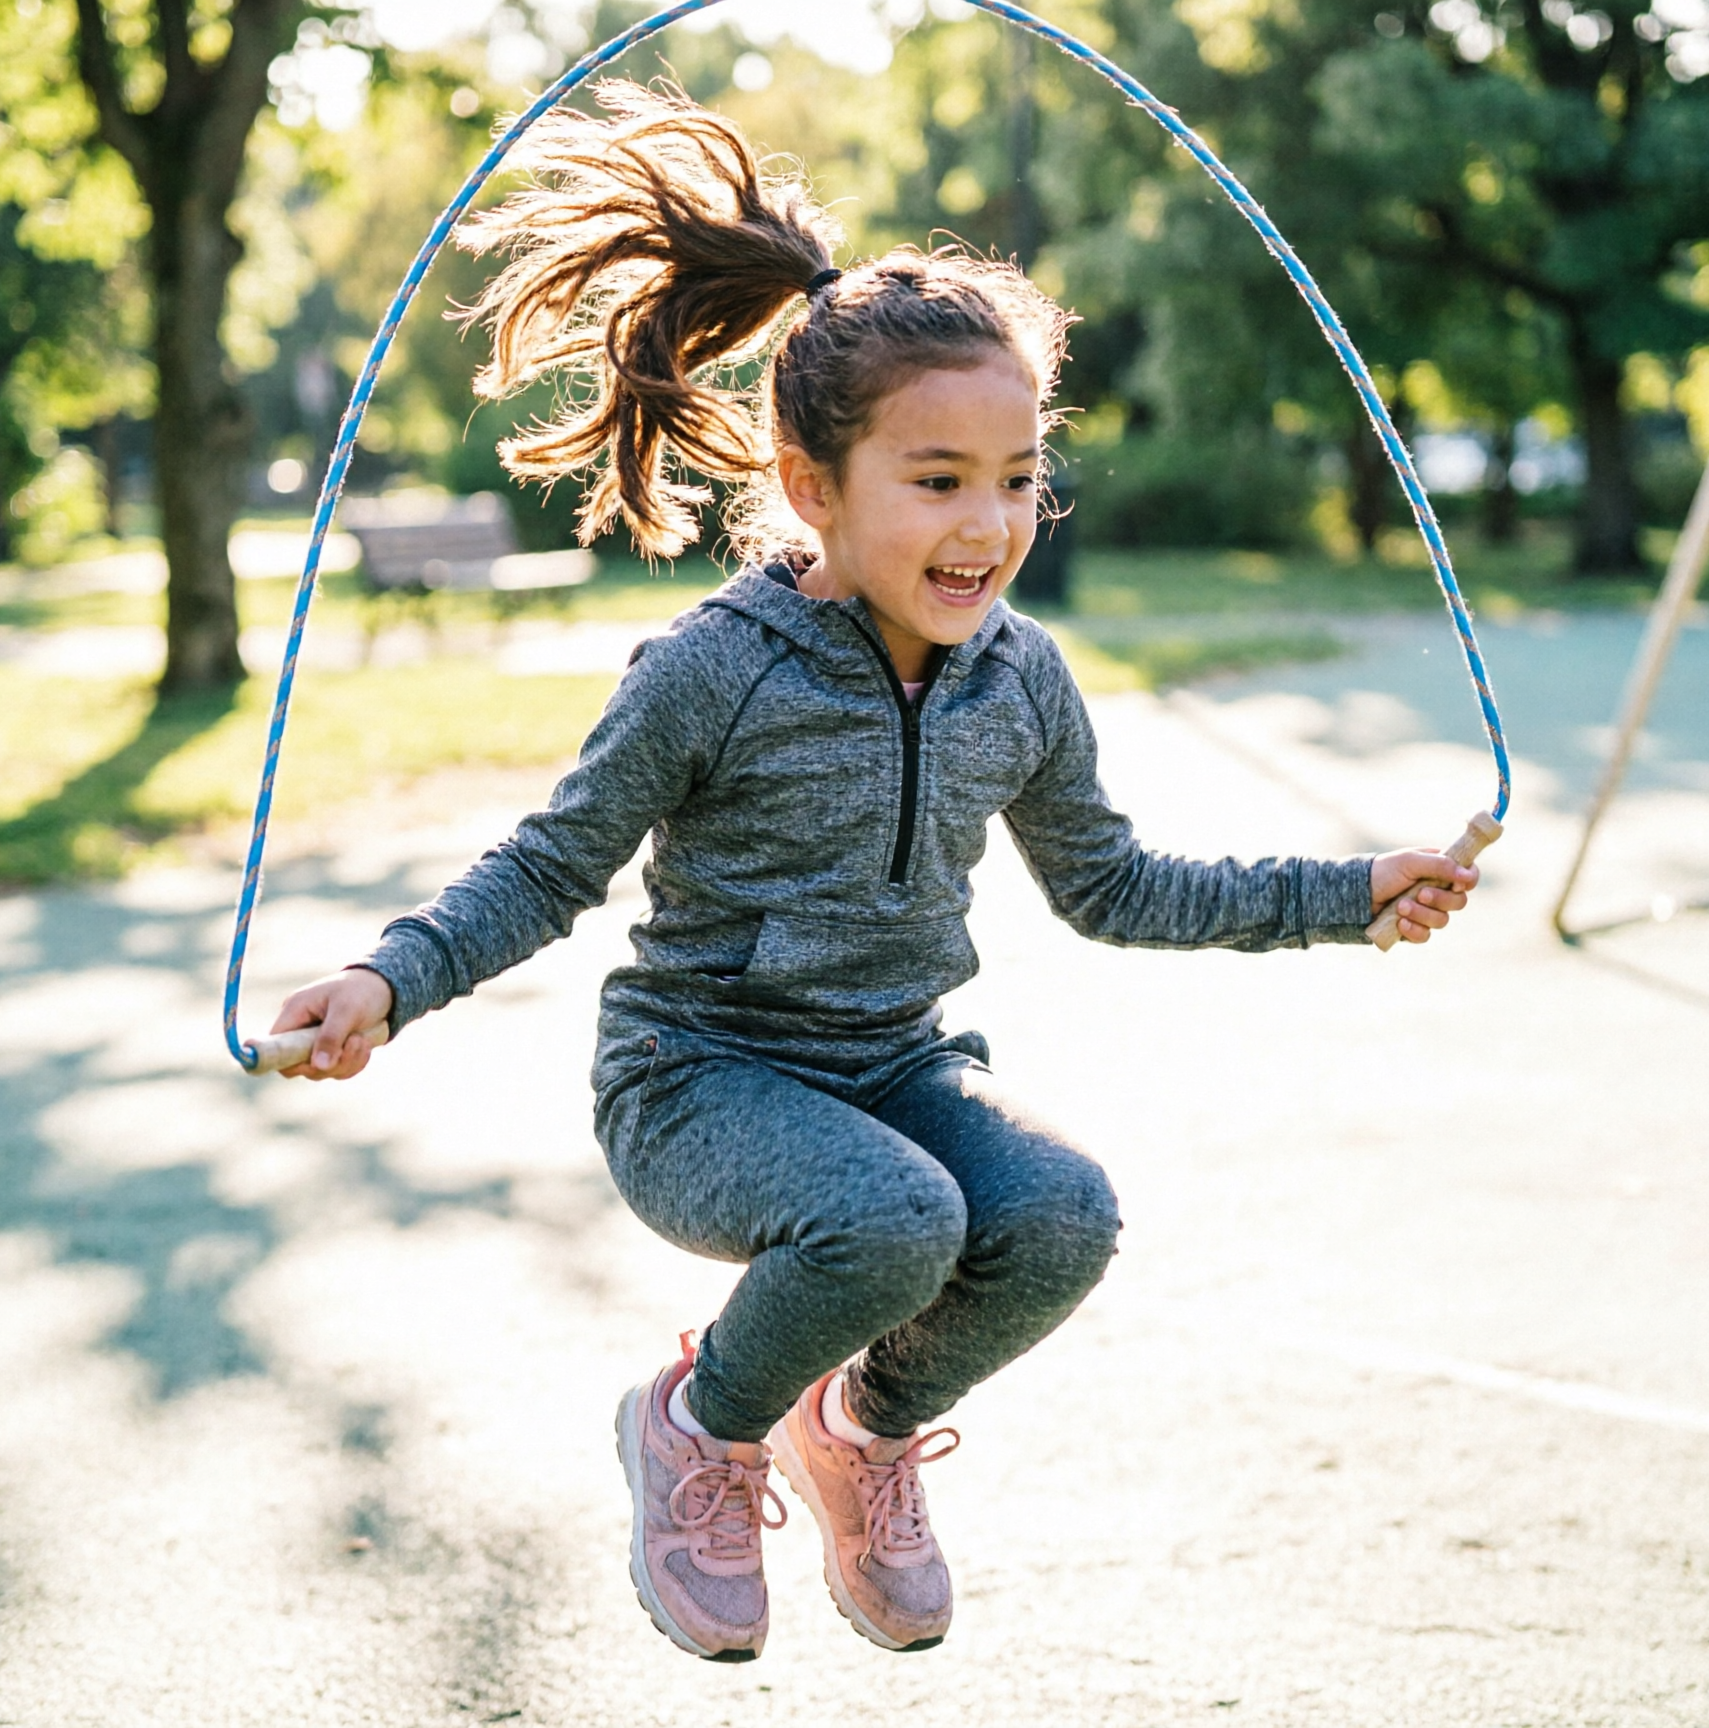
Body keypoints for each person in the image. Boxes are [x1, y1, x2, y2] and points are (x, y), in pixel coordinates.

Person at [264, 85, 1479, 1663]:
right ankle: (699, 1425)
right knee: (898, 1222)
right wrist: (386, 978)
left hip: (894, 1071)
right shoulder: (713, 672)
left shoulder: (1020, 678)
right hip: (697, 1082)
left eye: (1019, 476)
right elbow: (550, 864)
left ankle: (858, 1428)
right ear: (808, 482)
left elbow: (1113, 885)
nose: (991, 522)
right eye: (938, 477)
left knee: (1056, 1216)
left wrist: (1345, 893)